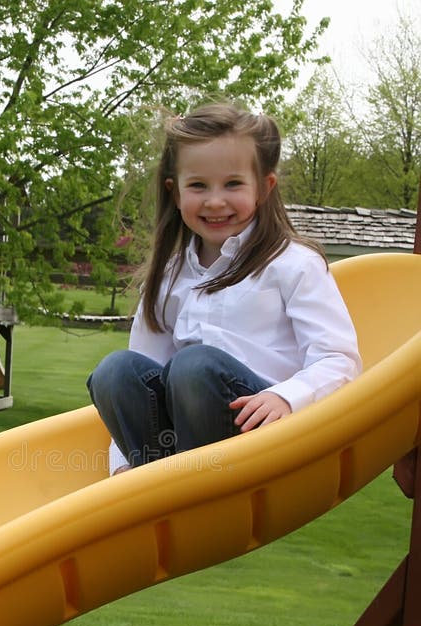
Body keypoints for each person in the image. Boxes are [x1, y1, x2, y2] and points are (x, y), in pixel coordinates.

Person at [87, 102, 362, 475]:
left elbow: (339, 360)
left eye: (233, 184)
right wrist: (120, 461)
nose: (215, 201)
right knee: (115, 369)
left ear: (264, 188)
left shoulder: (293, 263)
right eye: (198, 185)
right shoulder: (170, 276)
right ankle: (148, 481)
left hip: (262, 430)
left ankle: (196, 485)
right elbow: (141, 378)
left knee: (194, 364)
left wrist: (286, 395)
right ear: (176, 192)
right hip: (179, 438)